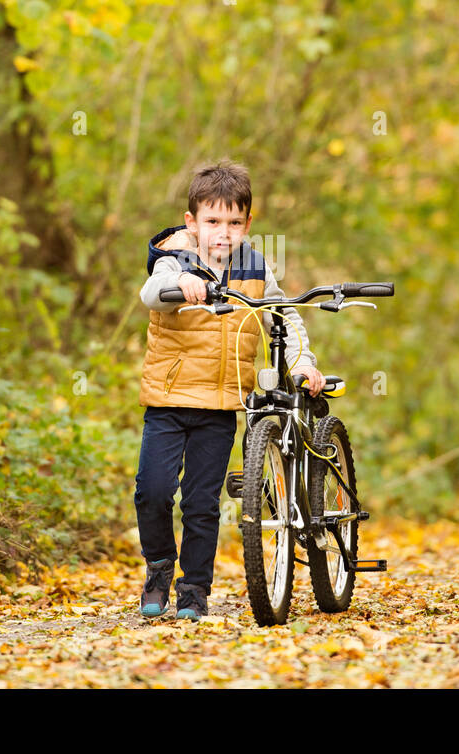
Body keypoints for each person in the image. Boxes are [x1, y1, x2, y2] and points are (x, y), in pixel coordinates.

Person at [135, 160, 324, 619]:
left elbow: (285, 316)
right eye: (213, 221)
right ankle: (160, 566)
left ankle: (194, 590)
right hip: (169, 401)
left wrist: (302, 362)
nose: (223, 232)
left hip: (220, 408)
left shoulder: (256, 267)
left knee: (203, 503)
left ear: (247, 224)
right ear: (192, 223)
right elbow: (151, 292)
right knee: (153, 492)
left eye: (234, 222)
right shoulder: (172, 260)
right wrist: (182, 282)